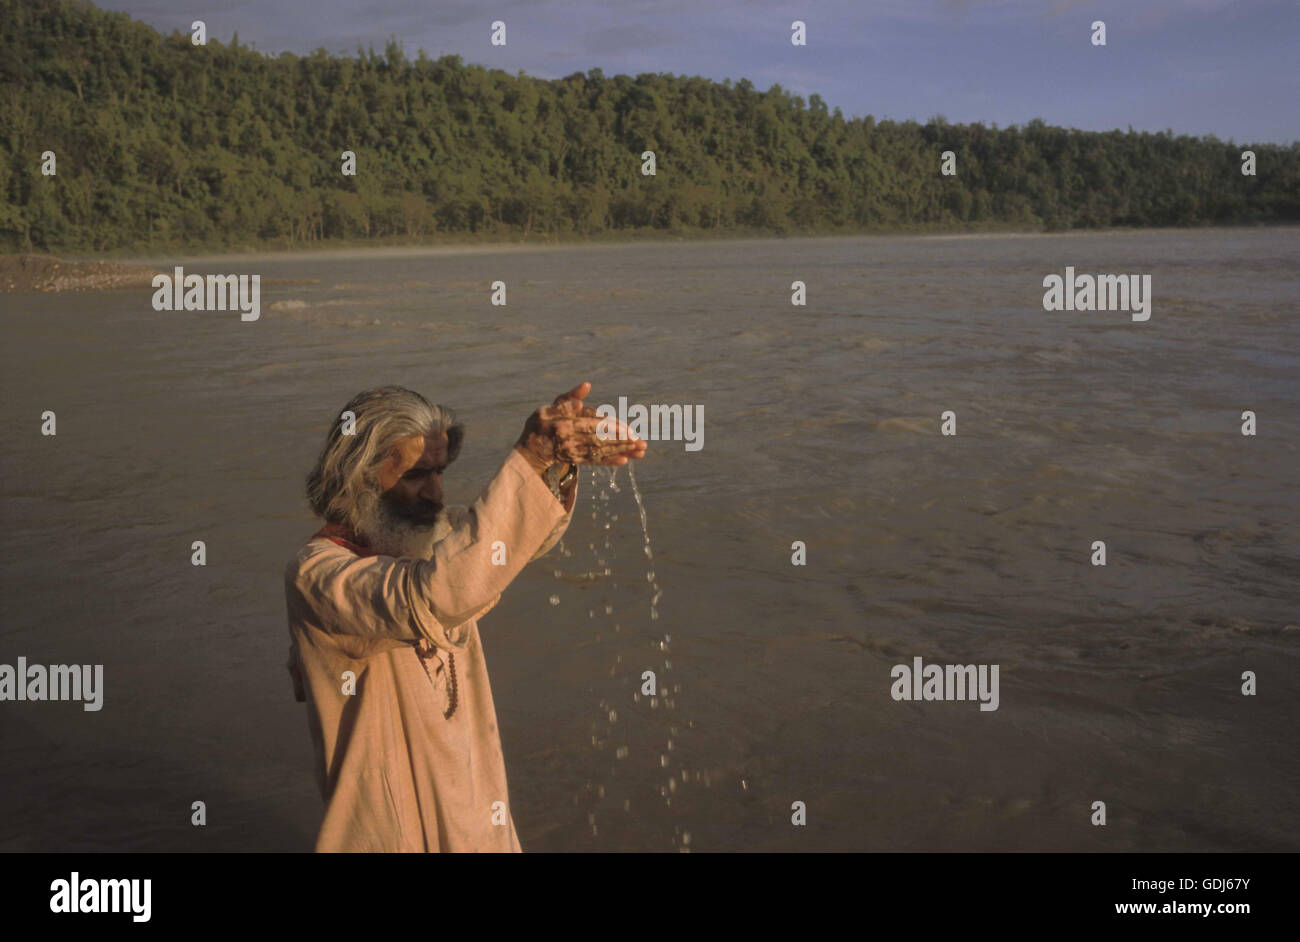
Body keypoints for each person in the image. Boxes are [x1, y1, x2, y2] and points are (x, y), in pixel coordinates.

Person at [283, 381, 646, 851]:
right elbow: (435, 595)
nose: (436, 494)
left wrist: (559, 459)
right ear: (358, 476)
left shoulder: (427, 543)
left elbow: (509, 544)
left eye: (439, 472)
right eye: (416, 475)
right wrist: (530, 458)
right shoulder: (318, 575)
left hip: (474, 812)